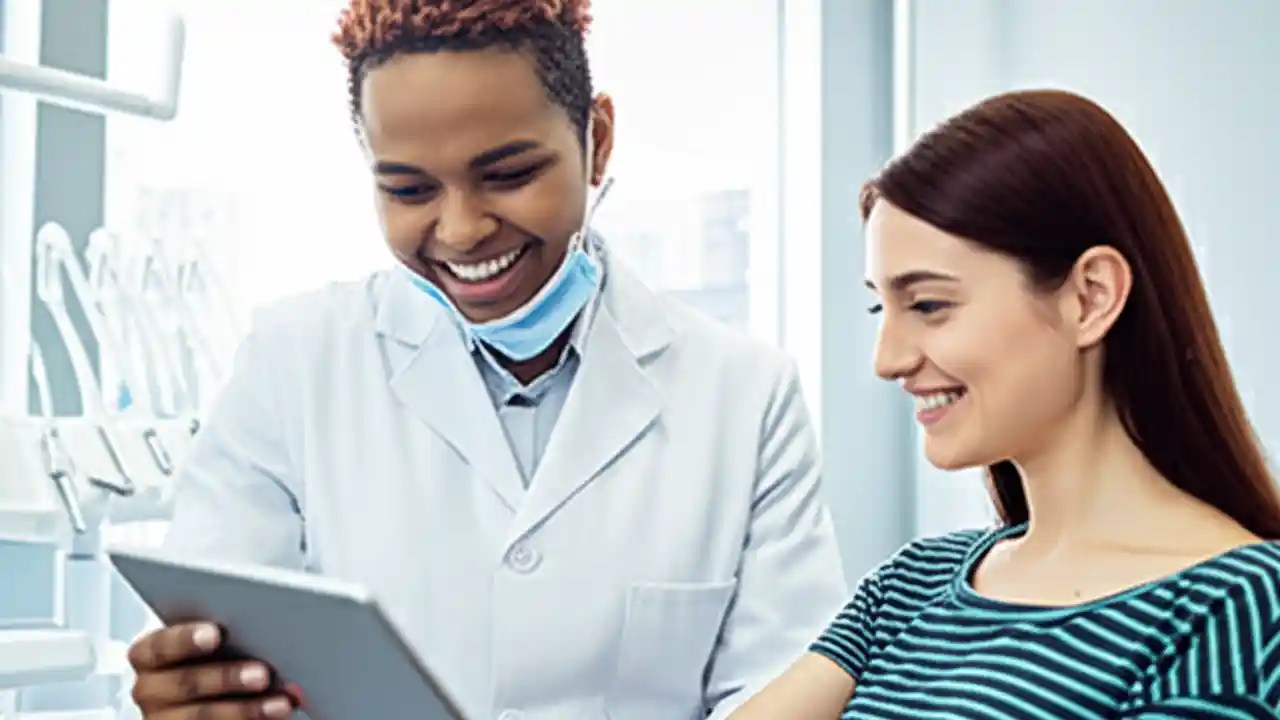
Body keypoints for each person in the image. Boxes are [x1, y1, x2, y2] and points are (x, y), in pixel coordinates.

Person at [122, 1, 848, 718]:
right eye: (409, 189)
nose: (462, 230)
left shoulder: (745, 397)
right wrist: (196, 698)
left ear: (597, 138)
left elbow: (782, 696)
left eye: (508, 174)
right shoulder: (291, 366)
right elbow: (226, 656)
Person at [731, 88, 1280, 718]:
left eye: (929, 305)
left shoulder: (1241, 609)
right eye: (882, 307)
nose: (888, 359)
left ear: (1090, 298)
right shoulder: (910, 586)